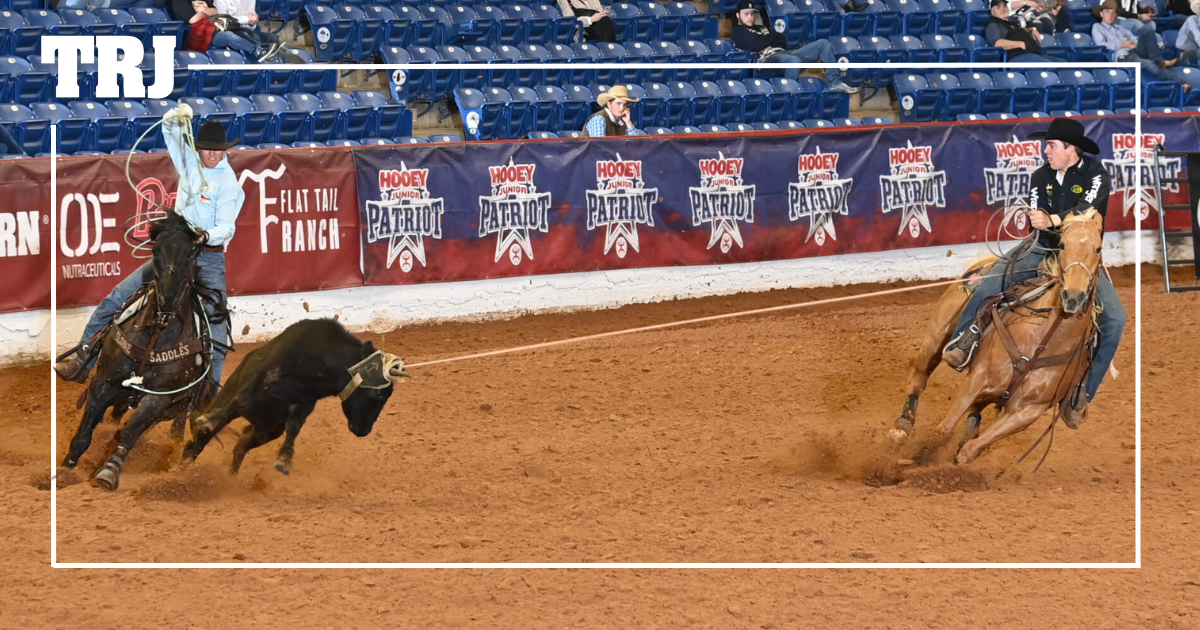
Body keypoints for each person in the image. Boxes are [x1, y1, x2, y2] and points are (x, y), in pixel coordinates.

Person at [941, 118, 1125, 429]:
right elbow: (1036, 218)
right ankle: (965, 338)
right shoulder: (1041, 175)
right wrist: (1041, 219)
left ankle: (1082, 391)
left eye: (1051, 145)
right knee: (991, 279)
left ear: (1071, 149)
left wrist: (1051, 217)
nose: (1046, 150)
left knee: (1115, 319)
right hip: (1041, 248)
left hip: (1079, 258)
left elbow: (1086, 211)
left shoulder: (1095, 174)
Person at [54, 106, 245, 393]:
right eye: (207, 149)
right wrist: (177, 115)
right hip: (176, 251)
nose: (212, 154)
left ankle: (210, 394)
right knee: (117, 296)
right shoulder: (190, 162)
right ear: (200, 147)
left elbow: (227, 227)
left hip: (207, 257)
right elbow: (170, 132)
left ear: (224, 151)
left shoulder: (228, 182)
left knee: (217, 329)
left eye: (217, 150)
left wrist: (206, 235)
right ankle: (82, 358)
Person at [730, 0, 857, 94]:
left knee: (823, 44)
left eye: (752, 14)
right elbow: (757, 44)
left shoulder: (760, 28)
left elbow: (782, 39)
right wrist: (769, 39)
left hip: (784, 54)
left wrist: (767, 40)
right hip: (766, 62)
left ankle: (834, 82)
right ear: (738, 15)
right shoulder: (738, 32)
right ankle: (788, 96)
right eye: (746, 14)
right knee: (793, 61)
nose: (750, 17)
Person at [1092, 0, 1182, 78]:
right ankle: (1170, 78)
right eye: (1107, 12)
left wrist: (1134, 42)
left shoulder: (1119, 28)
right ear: (1101, 14)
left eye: (1113, 12)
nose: (1111, 15)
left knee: (1150, 30)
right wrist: (1121, 44)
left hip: (1134, 50)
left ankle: (1166, 69)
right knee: (1149, 63)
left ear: (1115, 14)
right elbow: (1101, 44)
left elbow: (1132, 37)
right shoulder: (1097, 27)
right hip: (1122, 54)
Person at [983, 0, 1066, 62]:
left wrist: (1032, 29)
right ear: (992, 12)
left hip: (1033, 55)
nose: (1002, 9)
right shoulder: (993, 24)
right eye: (998, 7)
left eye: (1004, 6)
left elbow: (1018, 31)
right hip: (1018, 57)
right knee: (1049, 67)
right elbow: (998, 43)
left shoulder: (1011, 22)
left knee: (1064, 64)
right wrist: (1020, 44)